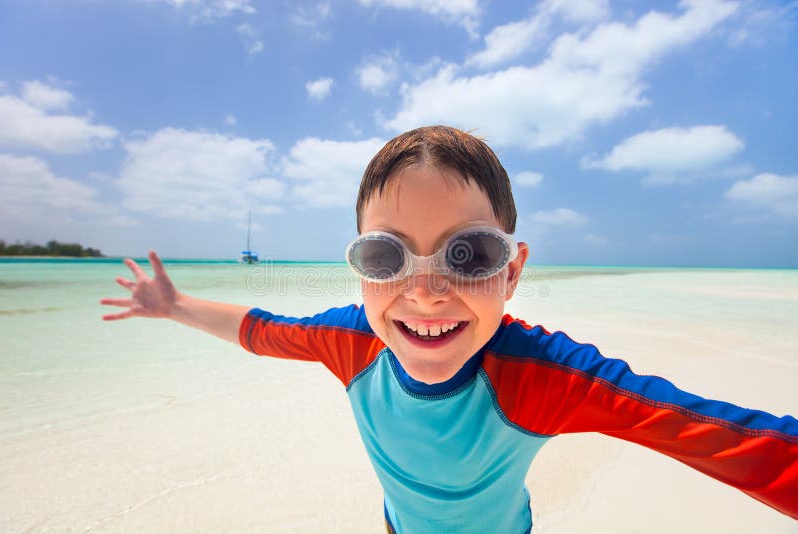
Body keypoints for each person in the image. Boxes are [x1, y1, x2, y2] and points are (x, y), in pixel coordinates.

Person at [101, 125, 798, 533]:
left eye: (469, 255)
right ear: (360, 270)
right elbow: (261, 329)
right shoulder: (353, 342)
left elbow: (724, 436)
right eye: (387, 256)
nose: (426, 290)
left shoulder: (543, 376)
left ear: (513, 272)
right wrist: (176, 305)